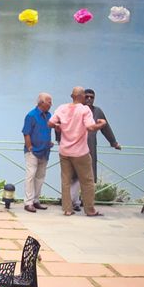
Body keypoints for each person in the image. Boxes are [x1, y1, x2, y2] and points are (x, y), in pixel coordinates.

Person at [48, 86, 106, 216]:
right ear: (82, 97)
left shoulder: (62, 108)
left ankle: (67, 209)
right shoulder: (84, 110)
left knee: (66, 181)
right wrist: (101, 124)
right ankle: (90, 210)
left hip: (64, 151)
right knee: (87, 181)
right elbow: (90, 127)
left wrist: (58, 126)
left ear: (71, 96)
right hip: (80, 153)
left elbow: (50, 123)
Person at [68, 88, 122, 209]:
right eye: (87, 97)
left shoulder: (97, 111)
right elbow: (63, 124)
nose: (89, 99)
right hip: (75, 148)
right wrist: (60, 140)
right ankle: (74, 202)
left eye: (91, 97)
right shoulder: (74, 110)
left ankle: (86, 203)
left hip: (90, 149)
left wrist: (113, 142)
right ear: (82, 97)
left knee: (89, 177)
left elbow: (105, 128)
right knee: (74, 176)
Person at [22, 92, 53, 212]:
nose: (51, 104)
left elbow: (48, 130)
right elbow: (26, 132)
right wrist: (30, 147)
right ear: (41, 103)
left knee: (40, 176)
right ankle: (28, 202)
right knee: (30, 176)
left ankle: (36, 200)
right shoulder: (31, 115)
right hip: (33, 151)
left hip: (45, 151)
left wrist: (49, 142)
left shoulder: (49, 115)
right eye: (49, 102)